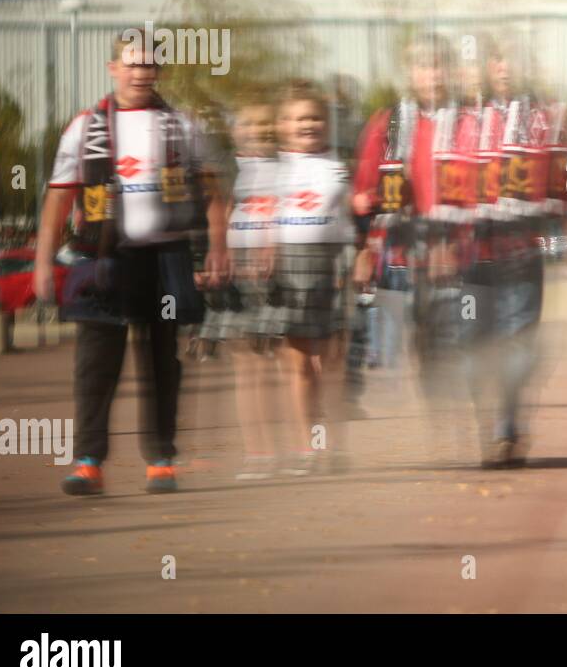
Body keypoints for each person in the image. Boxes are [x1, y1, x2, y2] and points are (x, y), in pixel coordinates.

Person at [35, 28, 227, 495]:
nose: (141, 71)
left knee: (162, 359)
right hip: (101, 259)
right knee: (96, 363)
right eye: (132, 62)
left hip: (165, 257)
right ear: (113, 68)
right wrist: (43, 262)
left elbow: (216, 195)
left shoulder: (182, 125)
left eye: (149, 63)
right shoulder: (85, 127)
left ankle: (161, 458)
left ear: (158, 70)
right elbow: (59, 200)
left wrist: (220, 247)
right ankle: (88, 461)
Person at [273, 81, 355, 475]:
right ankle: (309, 446)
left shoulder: (339, 167)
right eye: (298, 118)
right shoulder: (270, 169)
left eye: (315, 118)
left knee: (331, 364)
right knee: (300, 364)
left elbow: (351, 222)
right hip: (288, 270)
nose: (308, 125)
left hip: (331, 268)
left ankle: (333, 444)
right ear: (282, 124)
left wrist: (352, 262)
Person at [218, 98, 284, 480]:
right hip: (239, 273)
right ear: (234, 131)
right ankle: (256, 452)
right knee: (246, 366)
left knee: (279, 362)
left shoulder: (282, 170)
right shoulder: (229, 172)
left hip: (275, 275)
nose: (257, 132)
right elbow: (219, 216)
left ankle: (287, 445)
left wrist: (273, 247)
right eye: (248, 124)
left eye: (264, 126)